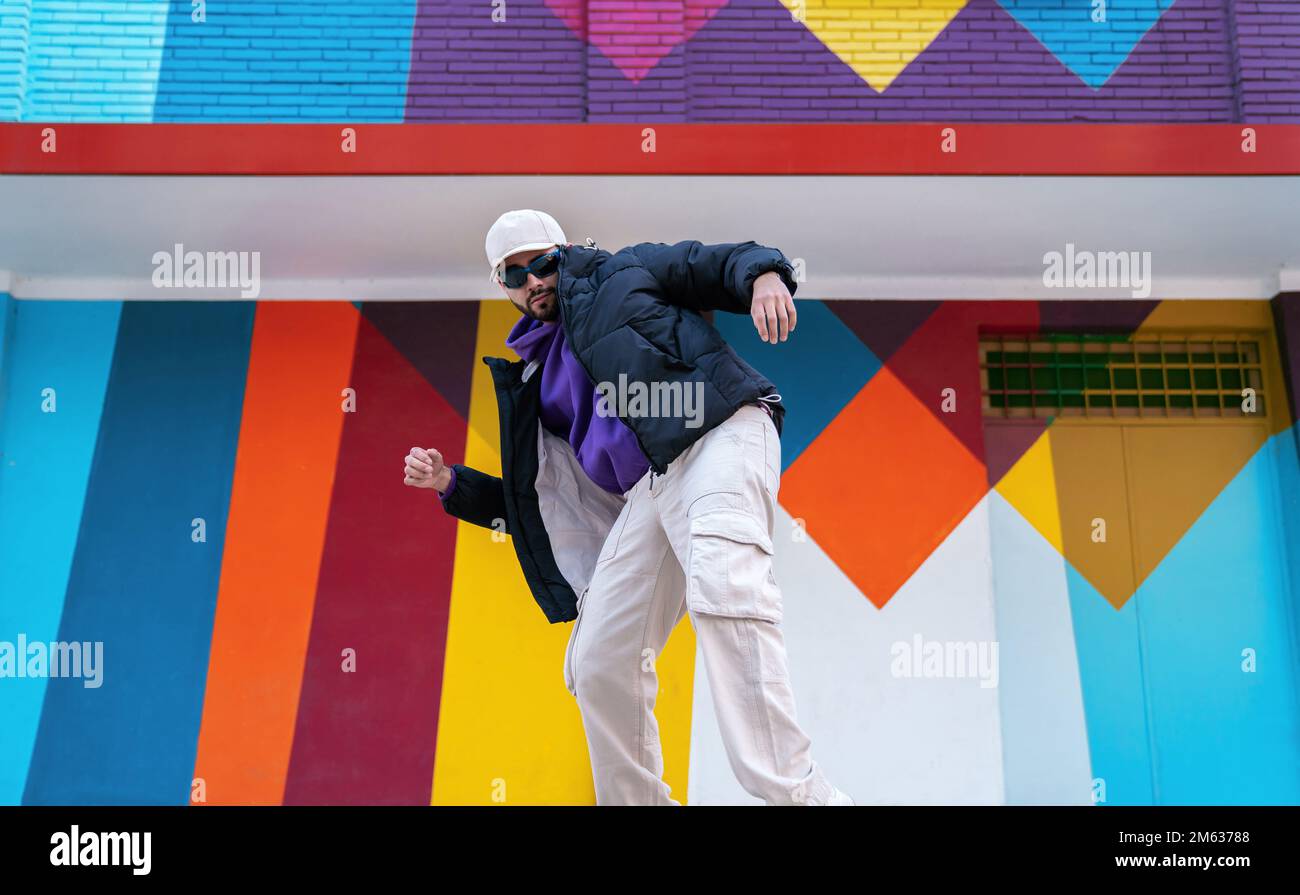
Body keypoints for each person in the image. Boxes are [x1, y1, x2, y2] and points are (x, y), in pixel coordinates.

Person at [404, 209, 852, 806]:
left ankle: (800, 797)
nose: (533, 282)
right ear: (503, 288)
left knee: (723, 591)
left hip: (716, 432)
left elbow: (707, 263)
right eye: (515, 276)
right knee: (597, 659)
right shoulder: (535, 379)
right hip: (653, 488)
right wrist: (450, 484)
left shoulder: (622, 273)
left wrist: (764, 275)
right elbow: (538, 503)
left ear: (563, 254)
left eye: (541, 263)